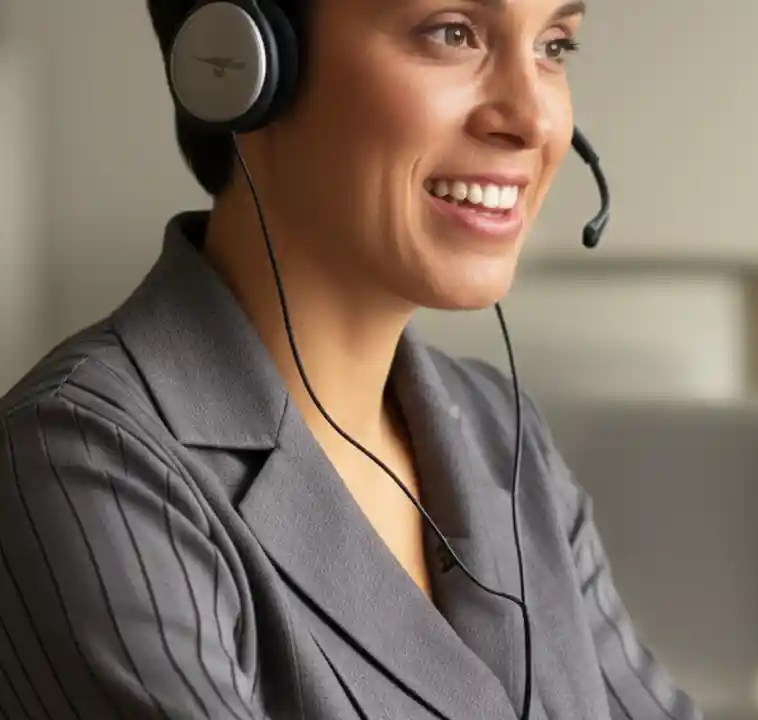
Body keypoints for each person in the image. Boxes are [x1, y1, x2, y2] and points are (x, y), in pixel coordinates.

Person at [0, 0, 701, 718]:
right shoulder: (80, 463)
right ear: (243, 64)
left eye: (555, 46)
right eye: (451, 32)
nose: (534, 121)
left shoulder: (503, 436)